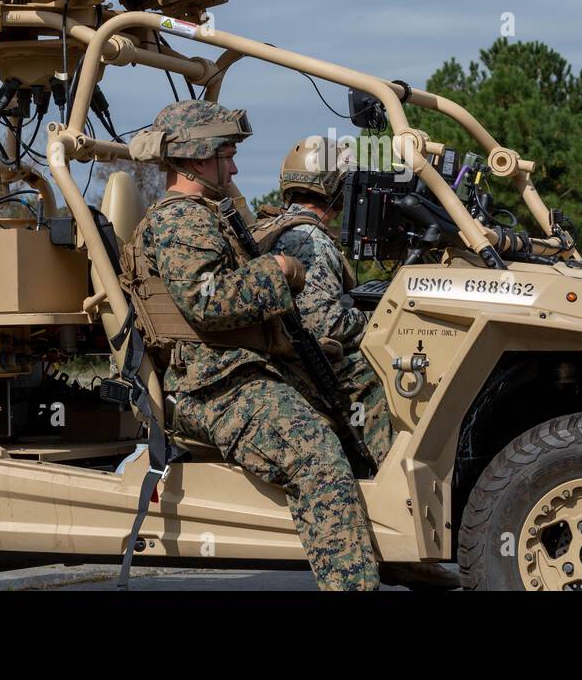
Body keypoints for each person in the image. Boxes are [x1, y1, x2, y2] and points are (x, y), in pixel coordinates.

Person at [118, 100, 379, 591]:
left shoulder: (205, 216)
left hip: (236, 369)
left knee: (358, 394)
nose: (235, 166)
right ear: (198, 159)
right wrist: (275, 271)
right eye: (227, 155)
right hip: (209, 383)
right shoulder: (182, 221)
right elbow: (206, 303)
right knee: (316, 456)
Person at [254, 136, 393, 465]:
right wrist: (377, 323)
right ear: (337, 189)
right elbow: (323, 322)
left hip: (278, 354)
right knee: (375, 373)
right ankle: (383, 471)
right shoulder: (310, 238)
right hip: (300, 367)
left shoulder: (272, 226)